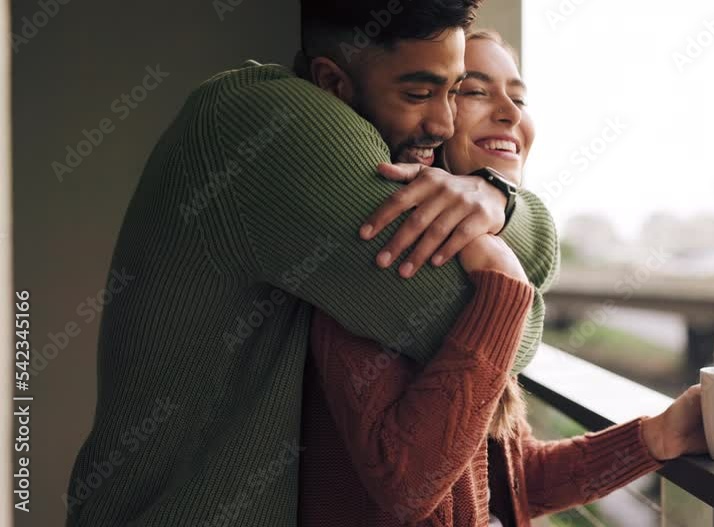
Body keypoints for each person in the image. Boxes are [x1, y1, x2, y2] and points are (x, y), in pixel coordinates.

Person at [63, 1, 561, 525]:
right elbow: (513, 328)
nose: (443, 121)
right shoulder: (282, 127)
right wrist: (502, 257)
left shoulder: (273, 113)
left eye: (455, 91)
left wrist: (496, 197)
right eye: (418, 93)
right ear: (332, 81)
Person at [300, 30, 714, 527]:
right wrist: (505, 291)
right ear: (434, 117)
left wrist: (656, 437)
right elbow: (406, 485)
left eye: (520, 96)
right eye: (476, 90)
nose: (510, 112)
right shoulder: (378, 262)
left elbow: (508, 482)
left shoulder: (461, 274)